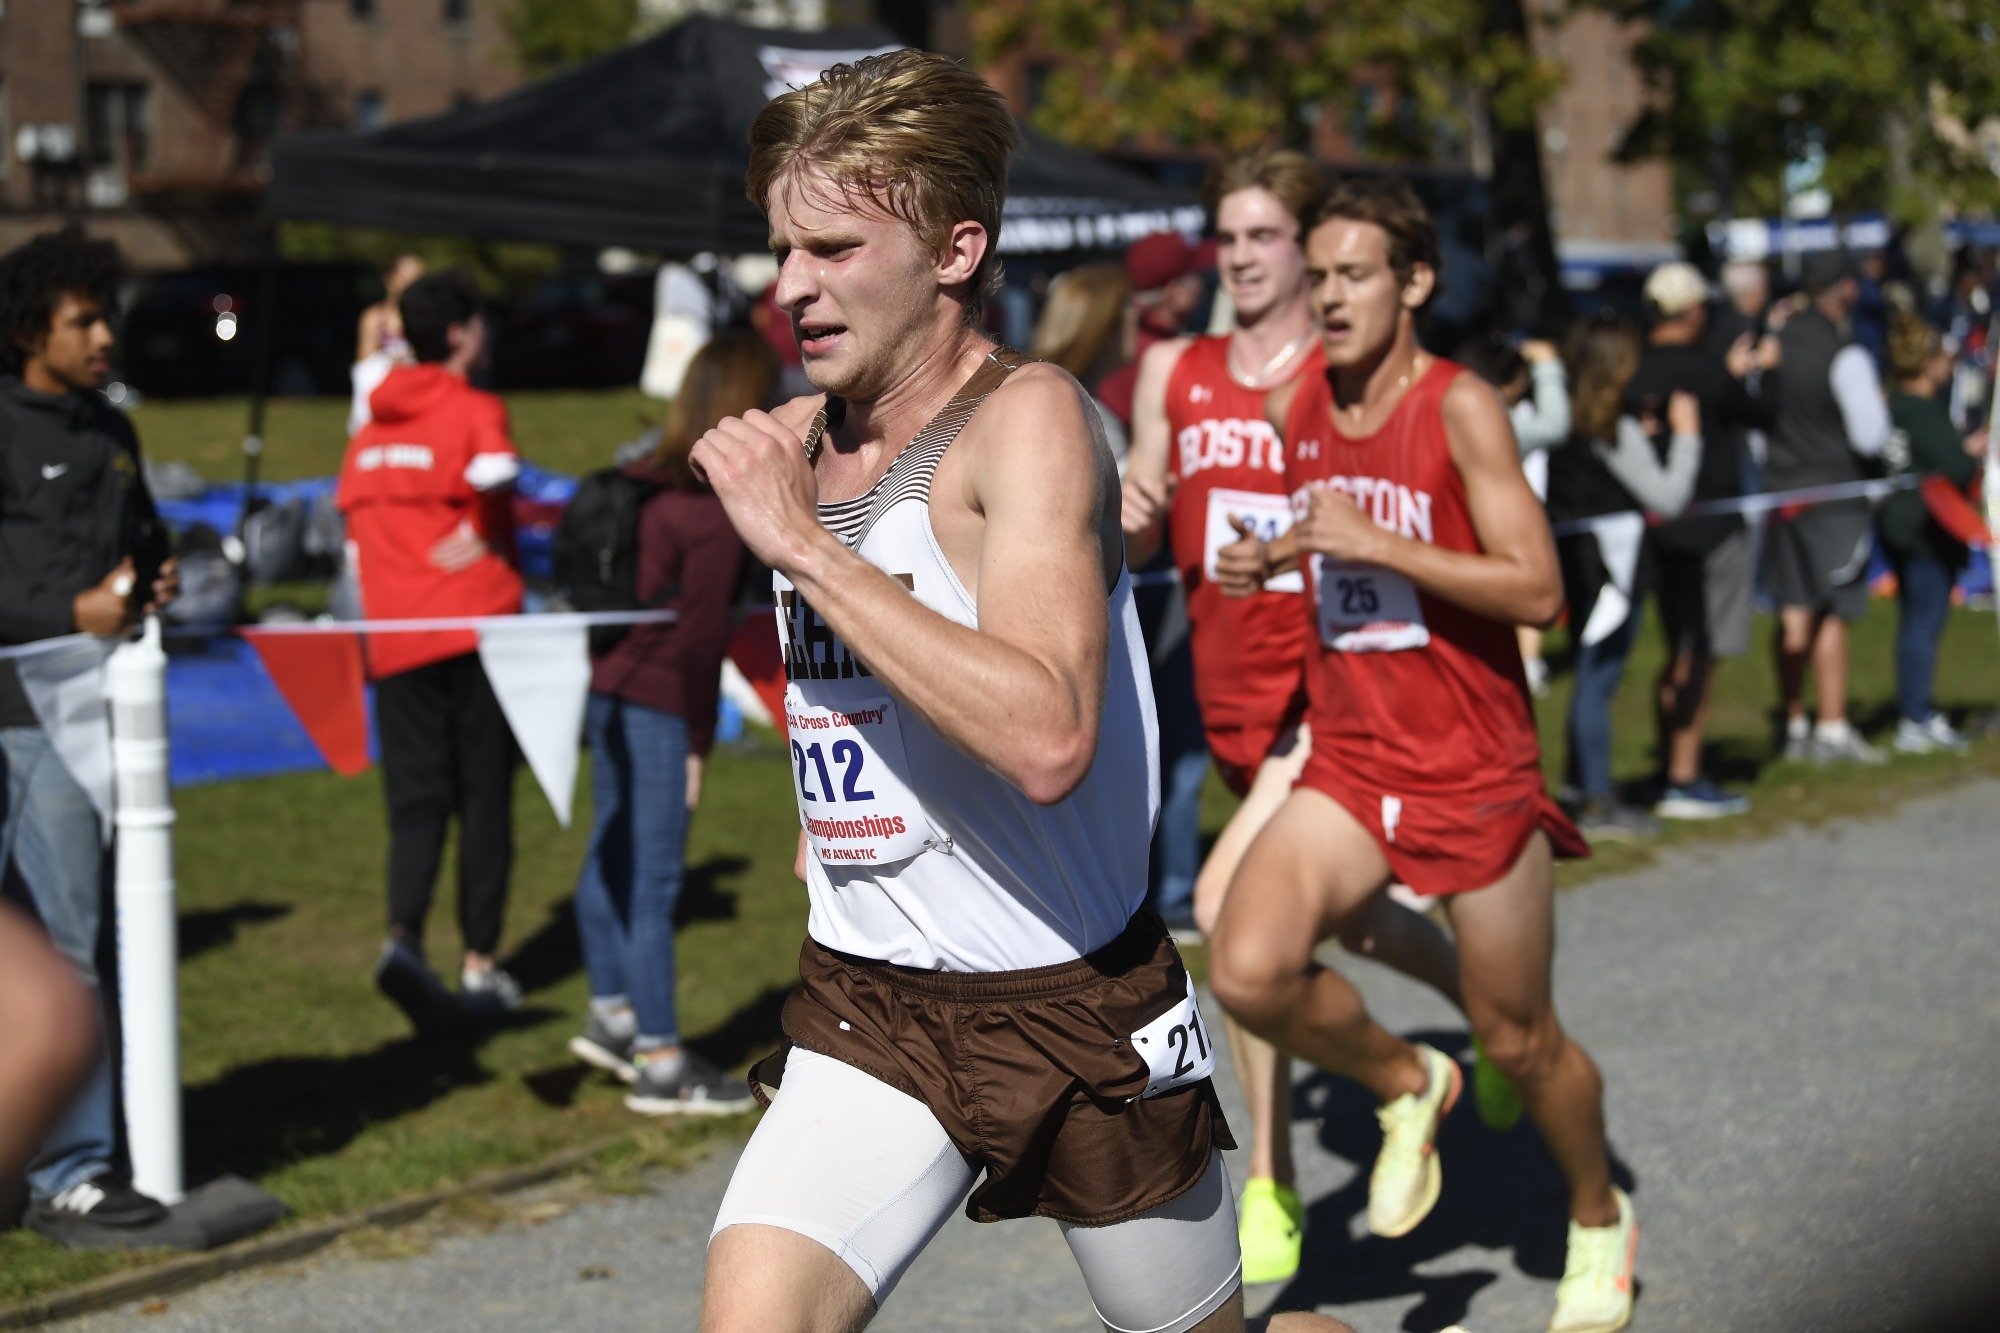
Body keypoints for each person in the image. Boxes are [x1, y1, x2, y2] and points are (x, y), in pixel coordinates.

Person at [690, 50, 1351, 1333]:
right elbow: (853, 690)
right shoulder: (800, 441)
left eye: (829, 249)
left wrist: (805, 551)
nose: (789, 289)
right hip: (869, 1003)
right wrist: (830, 826)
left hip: (1072, 1004)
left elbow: (1048, 735)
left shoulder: (1029, 420)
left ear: (953, 250)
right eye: (781, 248)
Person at [1207, 177, 1637, 1333]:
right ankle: (1409, 1082)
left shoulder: (1459, 407)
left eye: (1354, 275)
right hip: (1350, 758)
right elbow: (1344, 561)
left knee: (1520, 1037)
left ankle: (1596, 1215)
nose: (1328, 295)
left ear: (1413, 283)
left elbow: (1537, 589)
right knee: (1244, 966)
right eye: (1320, 274)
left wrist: (1375, 537)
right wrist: (1278, 555)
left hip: (1473, 769)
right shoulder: (1302, 406)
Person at [1121, 146, 1475, 1287]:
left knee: (1232, 922)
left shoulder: (1338, 375)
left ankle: (1268, 1171)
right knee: (1354, 924)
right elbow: (1141, 517)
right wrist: (1125, 513)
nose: (1239, 256)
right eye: (1224, 236)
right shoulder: (1173, 365)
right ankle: (1487, 1012)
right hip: (1225, 700)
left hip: (1319, 695)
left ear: (1307, 248)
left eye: (1262, 235)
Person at [0, 225, 179, 1245]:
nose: (106, 334)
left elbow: (143, 541)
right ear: (32, 329)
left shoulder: (113, 432)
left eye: (107, 315)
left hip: (76, 731)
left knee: (69, 947)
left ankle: (70, 1169)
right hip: (15, 718)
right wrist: (70, 612)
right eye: (84, 320)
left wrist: (156, 578)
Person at [567, 332, 763, 1115]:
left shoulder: (643, 481)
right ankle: (660, 1061)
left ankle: (613, 1013)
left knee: (608, 849)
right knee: (652, 881)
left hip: (608, 686)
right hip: (654, 702)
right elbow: (701, 638)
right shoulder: (709, 514)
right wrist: (694, 741)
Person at [336, 268, 526, 1031]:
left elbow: (352, 523)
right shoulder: (473, 406)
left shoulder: (372, 427)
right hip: (475, 630)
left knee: (414, 802)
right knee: (484, 798)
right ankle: (479, 963)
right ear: (457, 332)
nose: (486, 333)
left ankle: (402, 939)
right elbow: (500, 472)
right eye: (479, 321)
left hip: (395, 637)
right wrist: (481, 525)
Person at [1626, 261, 1774, 819]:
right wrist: (1760, 373)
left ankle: (1672, 766)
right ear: (1692, 313)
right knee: (1699, 654)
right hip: (1707, 530)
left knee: (1677, 653)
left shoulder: (1636, 370)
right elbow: (1763, 413)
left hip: (1661, 530)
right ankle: (1683, 776)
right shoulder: (1707, 374)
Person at [1548, 314, 1704, 840]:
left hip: (1577, 563)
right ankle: (1596, 799)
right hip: (1613, 569)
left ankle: (1579, 786)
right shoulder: (1614, 427)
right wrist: (1687, 437)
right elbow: (1669, 496)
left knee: (1588, 676)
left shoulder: (1565, 419)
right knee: (1600, 679)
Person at [1767, 251, 1892, 765]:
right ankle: (1833, 727)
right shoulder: (1846, 355)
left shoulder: (1777, 345)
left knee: (1793, 611)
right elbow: (1871, 434)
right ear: (1845, 290)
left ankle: (1795, 720)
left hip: (1781, 488)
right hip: (1833, 491)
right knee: (1833, 612)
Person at [1879, 311, 1984, 755]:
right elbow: (1955, 465)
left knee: (1913, 620)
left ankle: (1914, 710)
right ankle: (1915, 716)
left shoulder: (1891, 404)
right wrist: (1972, 450)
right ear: (1927, 363)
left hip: (1897, 523)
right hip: (1926, 528)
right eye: (1943, 359)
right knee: (1925, 620)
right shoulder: (1924, 411)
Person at [1454, 333, 1569, 696]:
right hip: (1490, 539)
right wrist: (1548, 364)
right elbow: (1555, 424)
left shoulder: (1437, 415)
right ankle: (1523, 664)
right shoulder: (1495, 423)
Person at [1029, 263, 1133, 465]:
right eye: (1133, 320)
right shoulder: (1088, 419)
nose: (1135, 328)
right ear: (1105, 329)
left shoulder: (1038, 394)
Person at [350, 252, 424, 435]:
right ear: (391, 279)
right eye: (407, 278)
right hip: (383, 399)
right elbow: (364, 368)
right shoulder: (375, 318)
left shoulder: (426, 321)